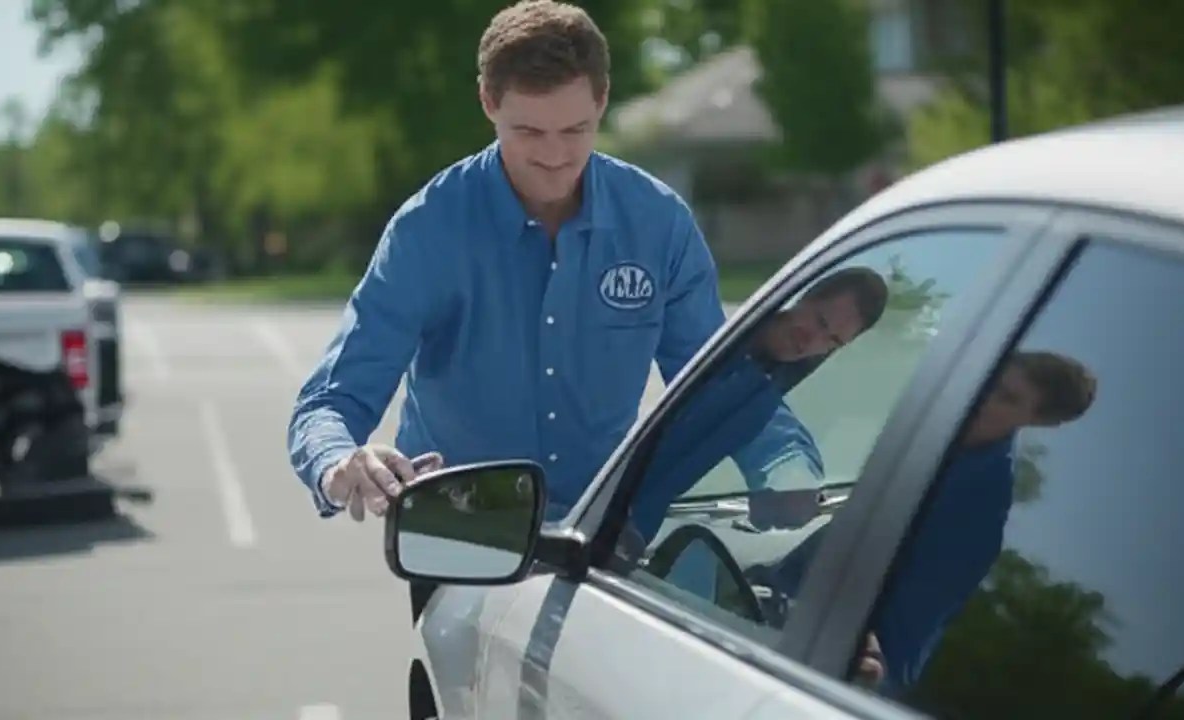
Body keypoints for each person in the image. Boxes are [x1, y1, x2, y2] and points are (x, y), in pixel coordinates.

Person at [287, 0, 729, 628]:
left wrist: (784, 464)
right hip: (460, 547)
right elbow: (329, 401)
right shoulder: (427, 230)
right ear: (488, 102)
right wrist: (340, 464)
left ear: (602, 101)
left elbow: (720, 387)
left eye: (575, 131)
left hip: (608, 545)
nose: (554, 156)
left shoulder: (658, 224)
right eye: (529, 133)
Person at [756, 351, 1097, 693]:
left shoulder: (977, 510)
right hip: (768, 604)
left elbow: (895, 649)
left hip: (807, 663)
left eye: (1006, 397)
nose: (983, 392)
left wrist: (861, 662)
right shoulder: (924, 423)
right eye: (990, 375)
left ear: (1034, 421)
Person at [625, 266, 889, 545]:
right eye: (820, 321)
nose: (813, 340)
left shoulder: (768, 388)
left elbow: (779, 433)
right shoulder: (707, 330)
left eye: (832, 340)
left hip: (626, 536)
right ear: (801, 295)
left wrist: (794, 480)